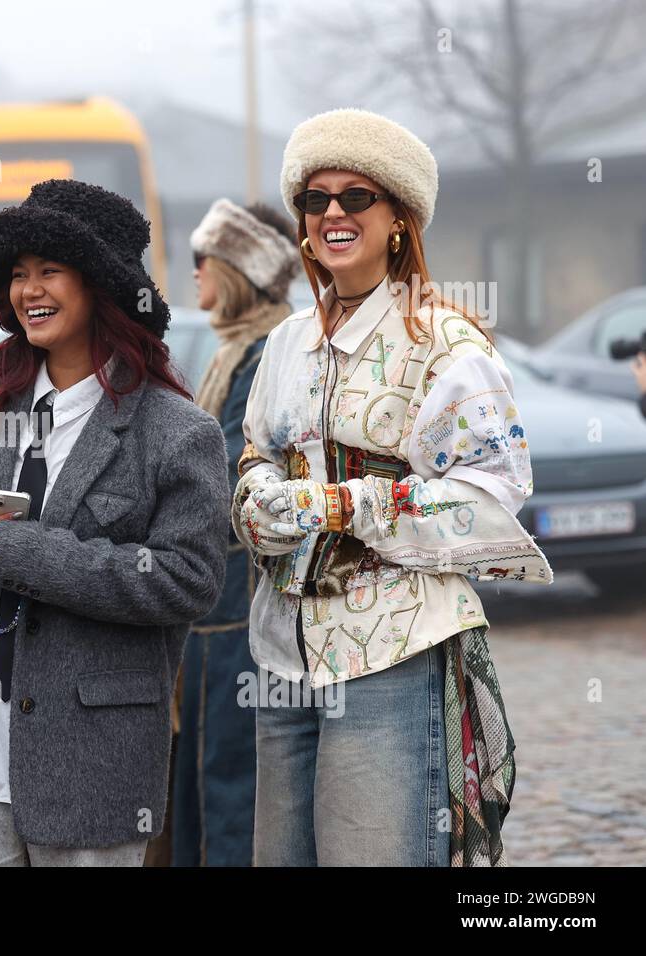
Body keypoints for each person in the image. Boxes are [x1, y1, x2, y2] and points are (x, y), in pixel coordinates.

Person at [0, 179, 230, 866]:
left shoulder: (177, 430)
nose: (30, 289)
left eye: (50, 272)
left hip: (91, 740)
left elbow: (188, 579)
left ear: (98, 285)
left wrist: (36, 555)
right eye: (20, 273)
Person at [233, 109, 553, 867]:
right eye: (316, 199)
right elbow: (256, 452)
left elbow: (493, 495)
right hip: (281, 651)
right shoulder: (285, 341)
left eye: (356, 197)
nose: (334, 213)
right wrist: (258, 505)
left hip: (392, 652)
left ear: (399, 220)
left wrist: (348, 505)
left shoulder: (445, 342)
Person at [170, 198, 299, 867]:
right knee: (198, 777)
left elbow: (221, 476)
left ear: (240, 269)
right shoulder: (233, 350)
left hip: (240, 610)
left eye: (205, 258)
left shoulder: (269, 353)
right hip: (211, 608)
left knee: (228, 781)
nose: (194, 272)